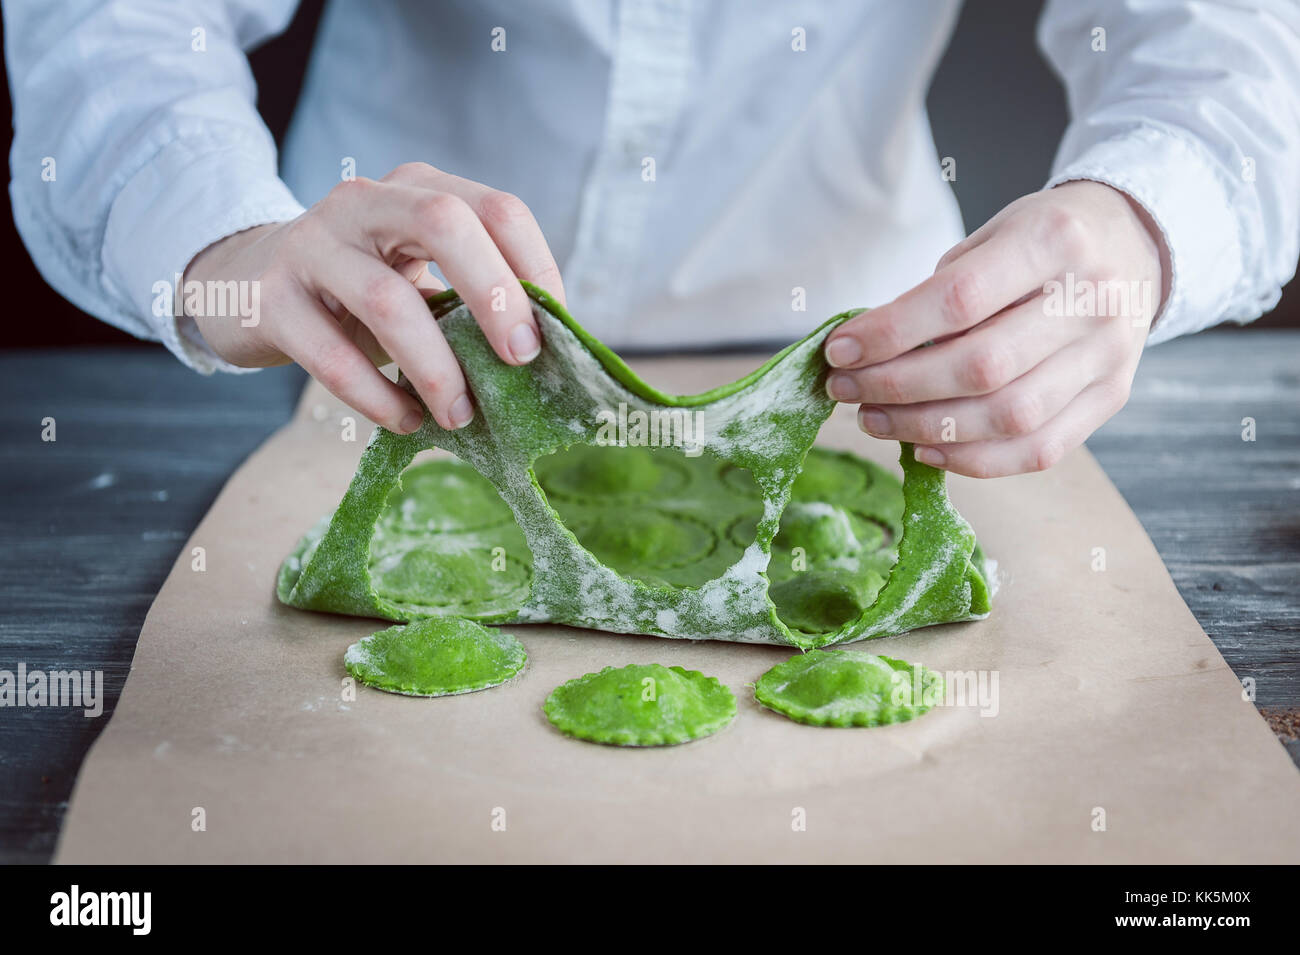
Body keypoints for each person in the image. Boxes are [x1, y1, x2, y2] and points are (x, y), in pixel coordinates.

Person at [7, 1, 1298, 477]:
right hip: (361, 356)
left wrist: (1138, 229)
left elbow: (1227, 47)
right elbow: (113, 21)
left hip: (887, 377)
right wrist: (224, 238)